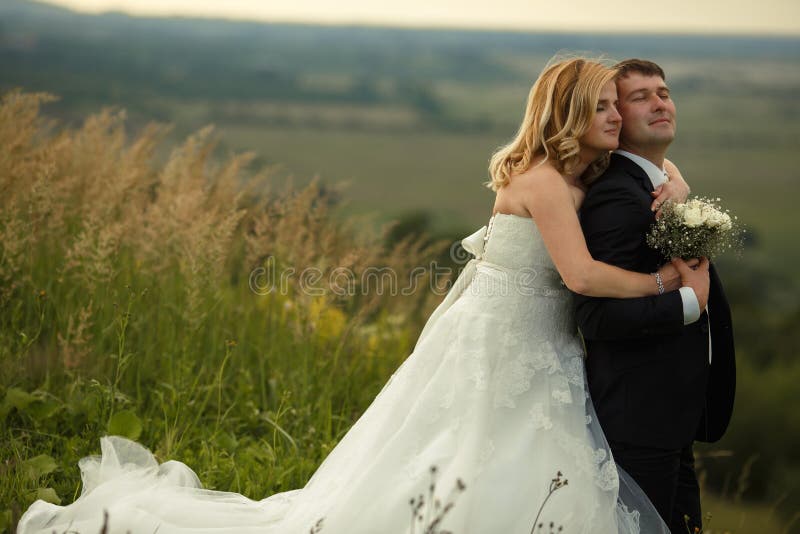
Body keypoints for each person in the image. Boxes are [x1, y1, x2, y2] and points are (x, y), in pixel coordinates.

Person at [18, 57, 697, 534]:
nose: (614, 116)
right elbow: (579, 276)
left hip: (543, 337)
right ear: (569, 110)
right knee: (480, 449)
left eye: (617, 104)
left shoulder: (589, 172)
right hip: (508, 336)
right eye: (602, 105)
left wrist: (681, 193)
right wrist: (667, 283)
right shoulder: (546, 180)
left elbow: (655, 173)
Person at [574, 58, 736, 533]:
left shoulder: (656, 185)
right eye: (640, 97)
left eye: (663, 93)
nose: (659, 102)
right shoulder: (618, 199)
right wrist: (689, 304)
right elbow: (598, 318)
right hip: (638, 417)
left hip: (668, 417)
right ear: (615, 118)